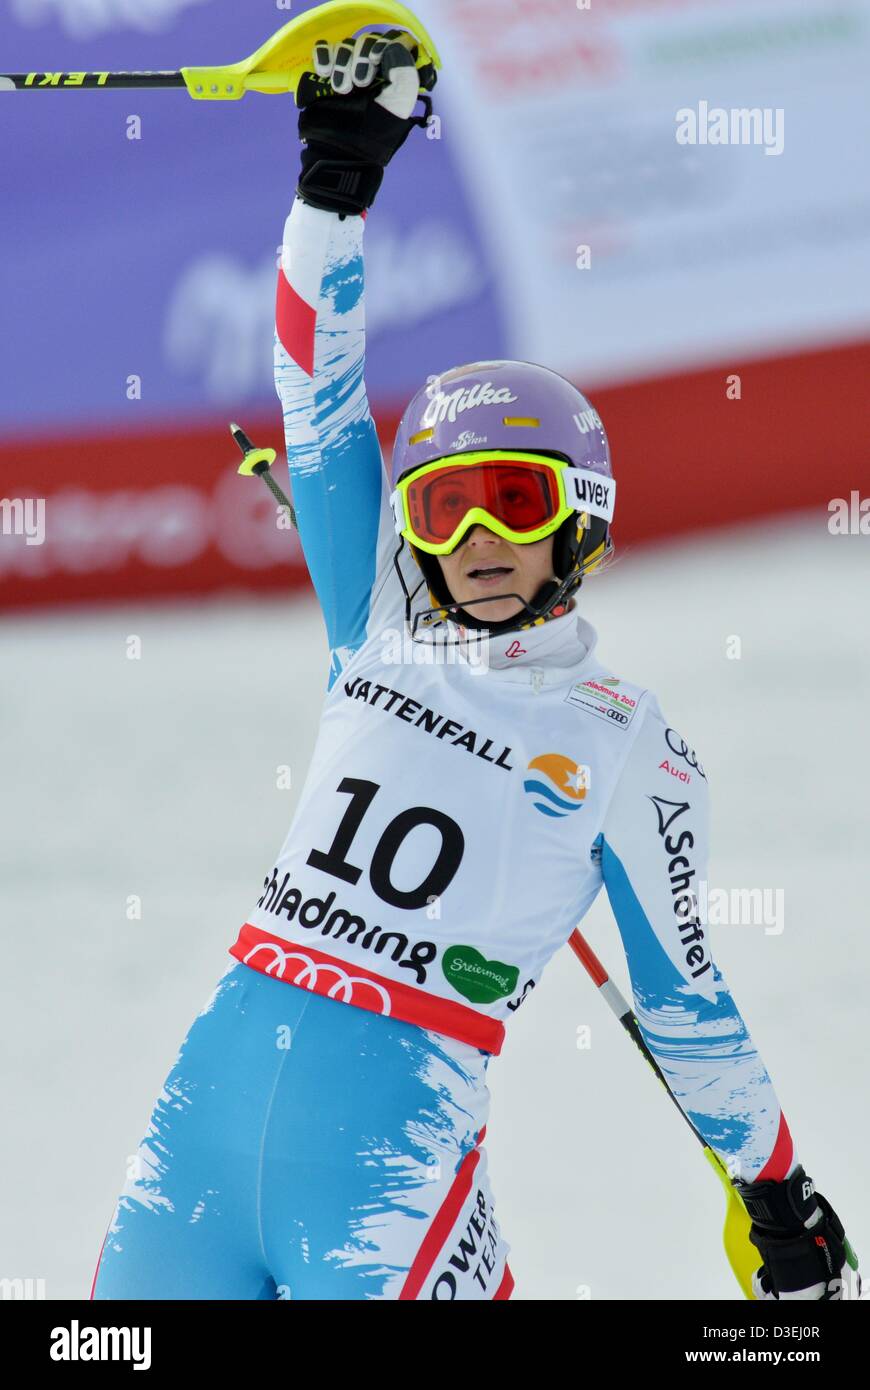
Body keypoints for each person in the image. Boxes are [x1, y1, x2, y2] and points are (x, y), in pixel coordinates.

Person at [91, 30, 859, 1302]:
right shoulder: (377, 620)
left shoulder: (627, 739)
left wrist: (773, 1183)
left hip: (387, 1159)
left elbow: (686, 997)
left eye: (514, 500)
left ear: (584, 519)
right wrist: (333, 187)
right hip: (201, 1128)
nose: (478, 540)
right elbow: (319, 391)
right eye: (442, 509)